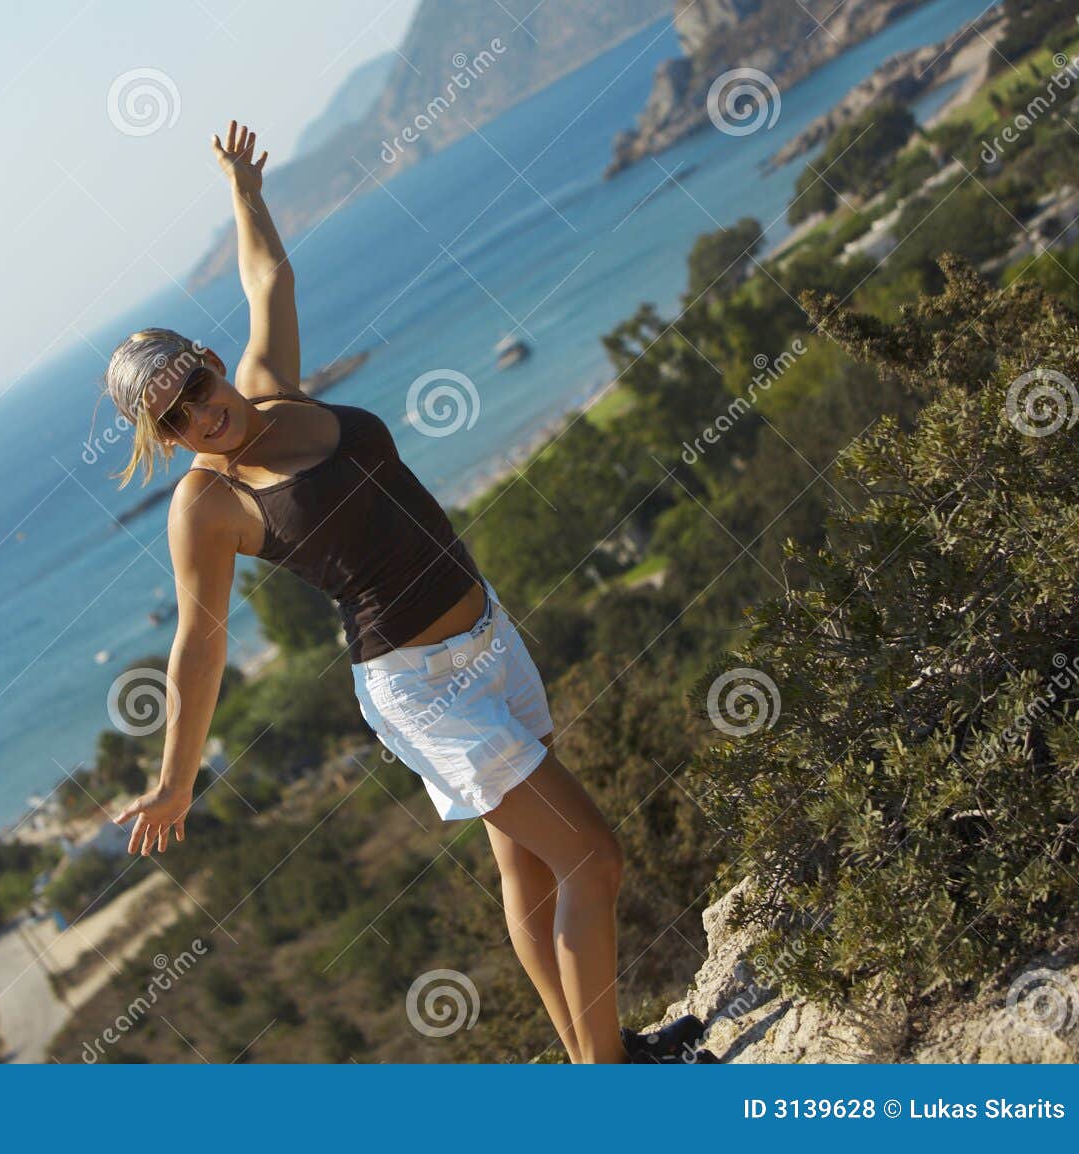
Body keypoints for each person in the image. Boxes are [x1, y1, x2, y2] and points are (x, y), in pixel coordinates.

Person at [105, 121, 704, 1064]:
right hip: (420, 687)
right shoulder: (207, 503)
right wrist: (178, 781)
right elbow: (199, 642)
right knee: (595, 857)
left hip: (490, 636)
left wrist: (244, 191)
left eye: (194, 384)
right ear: (165, 436)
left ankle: (600, 1055)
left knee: (530, 864)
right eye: (173, 417)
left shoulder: (273, 389)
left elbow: (268, 281)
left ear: (212, 362)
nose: (200, 412)